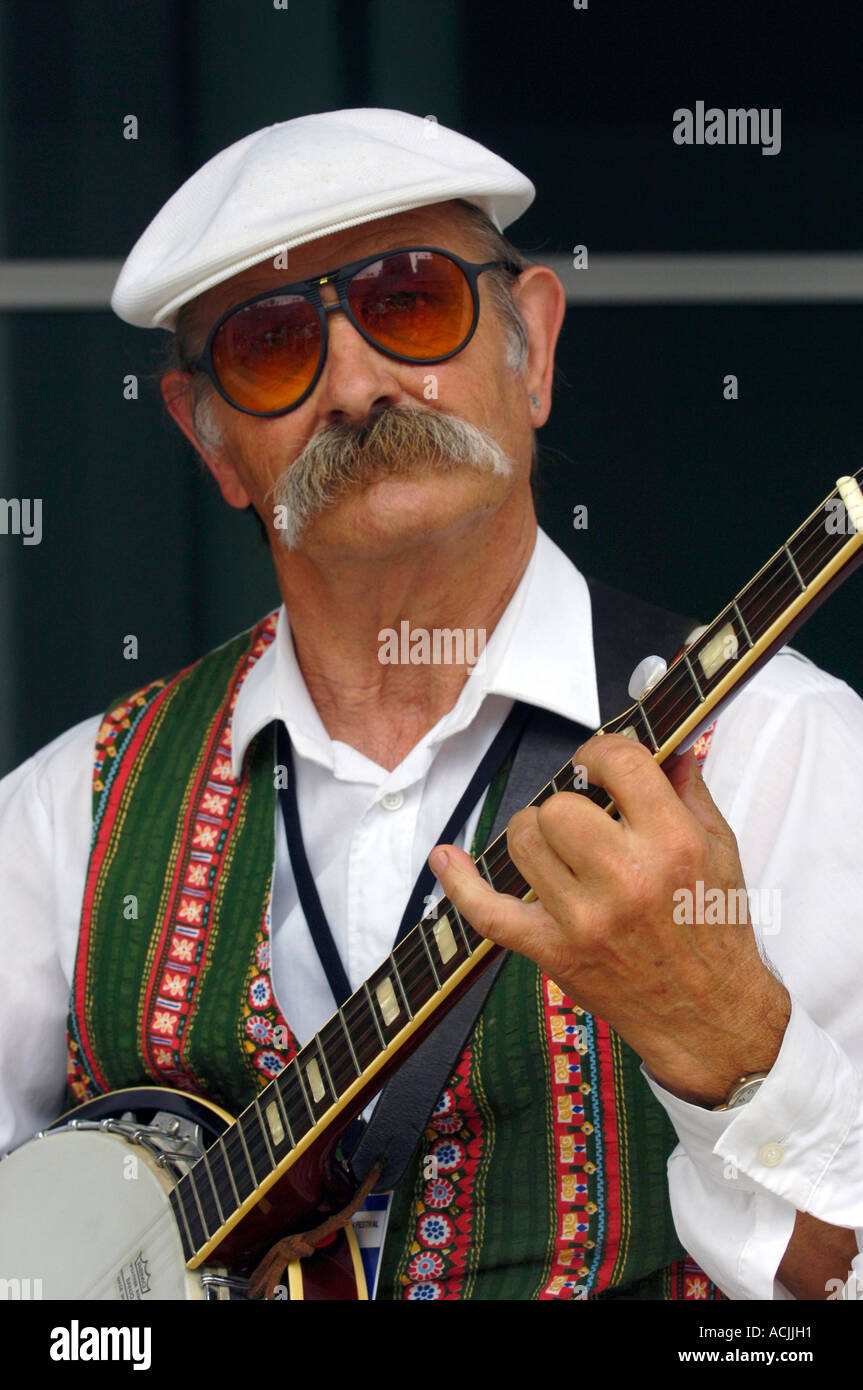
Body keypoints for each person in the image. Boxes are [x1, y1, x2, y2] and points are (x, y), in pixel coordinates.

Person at [1, 108, 862, 1302]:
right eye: (269, 345)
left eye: (408, 302)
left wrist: (730, 1046)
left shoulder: (789, 754)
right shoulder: (72, 817)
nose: (354, 385)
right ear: (212, 443)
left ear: (533, 349)